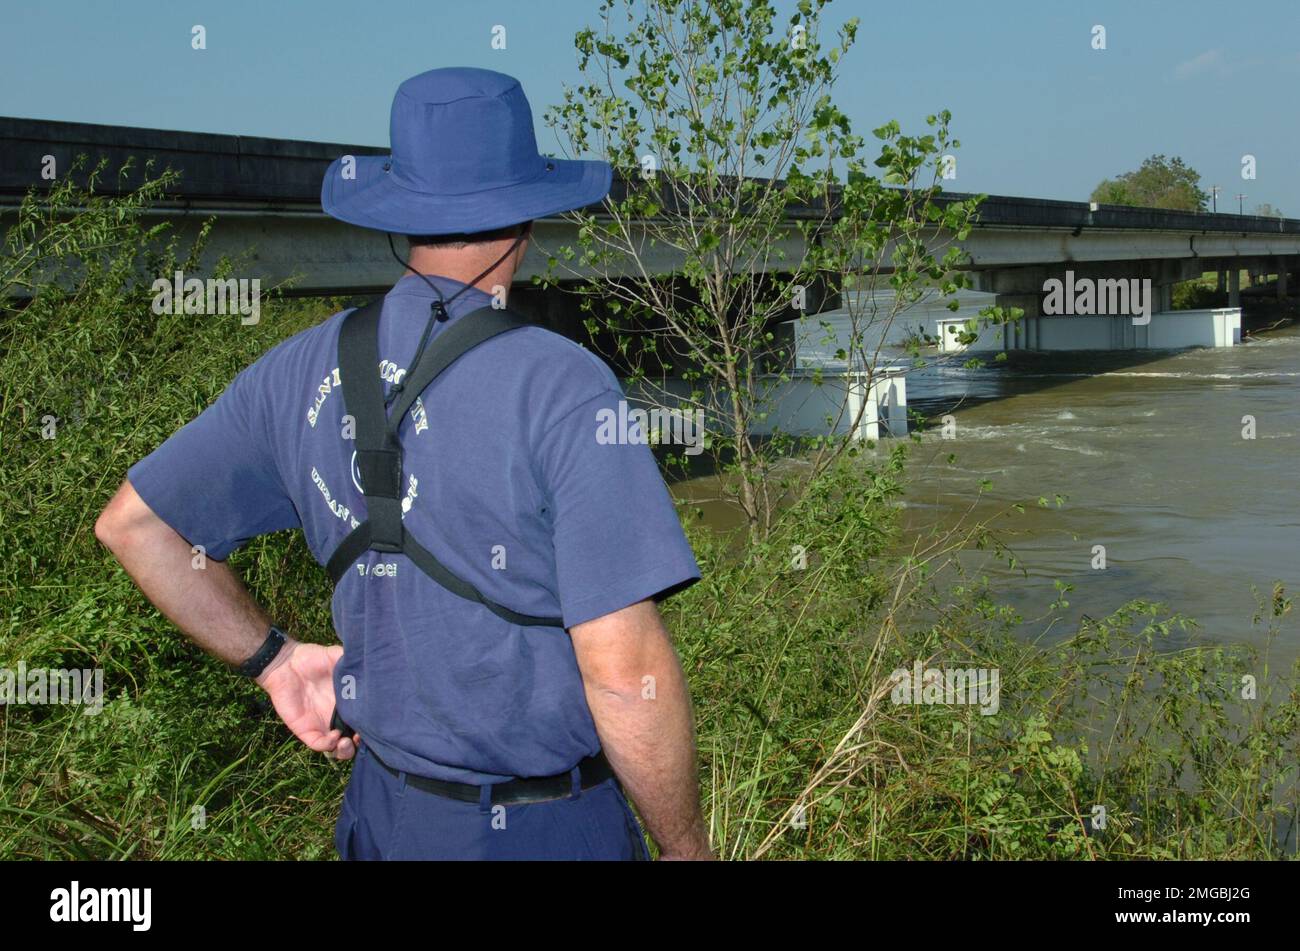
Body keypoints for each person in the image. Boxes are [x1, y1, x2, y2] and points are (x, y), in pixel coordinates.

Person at [95, 66, 712, 861]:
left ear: (404, 212)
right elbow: (625, 673)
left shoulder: (297, 370)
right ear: (527, 213)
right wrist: (688, 846)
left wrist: (277, 662)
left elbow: (134, 526)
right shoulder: (566, 389)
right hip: (537, 831)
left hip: (382, 819)